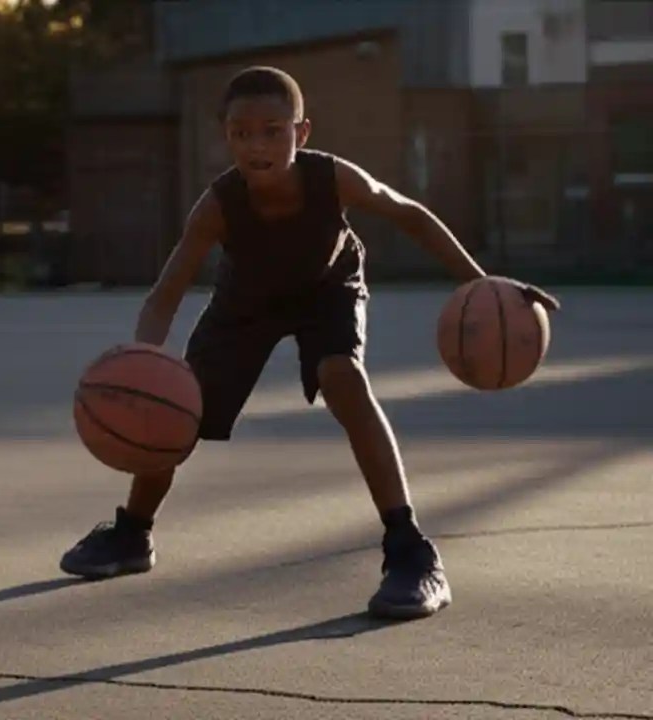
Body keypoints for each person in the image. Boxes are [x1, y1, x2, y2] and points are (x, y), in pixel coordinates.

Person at [58, 66, 560, 619]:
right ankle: (133, 533)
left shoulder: (333, 179)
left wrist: (479, 280)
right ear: (225, 136)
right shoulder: (219, 205)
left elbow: (409, 215)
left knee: (343, 376)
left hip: (329, 287)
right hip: (245, 302)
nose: (256, 144)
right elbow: (164, 296)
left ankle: (410, 551)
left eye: (273, 129)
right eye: (241, 132)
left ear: (302, 132)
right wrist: (146, 359)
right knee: (176, 405)